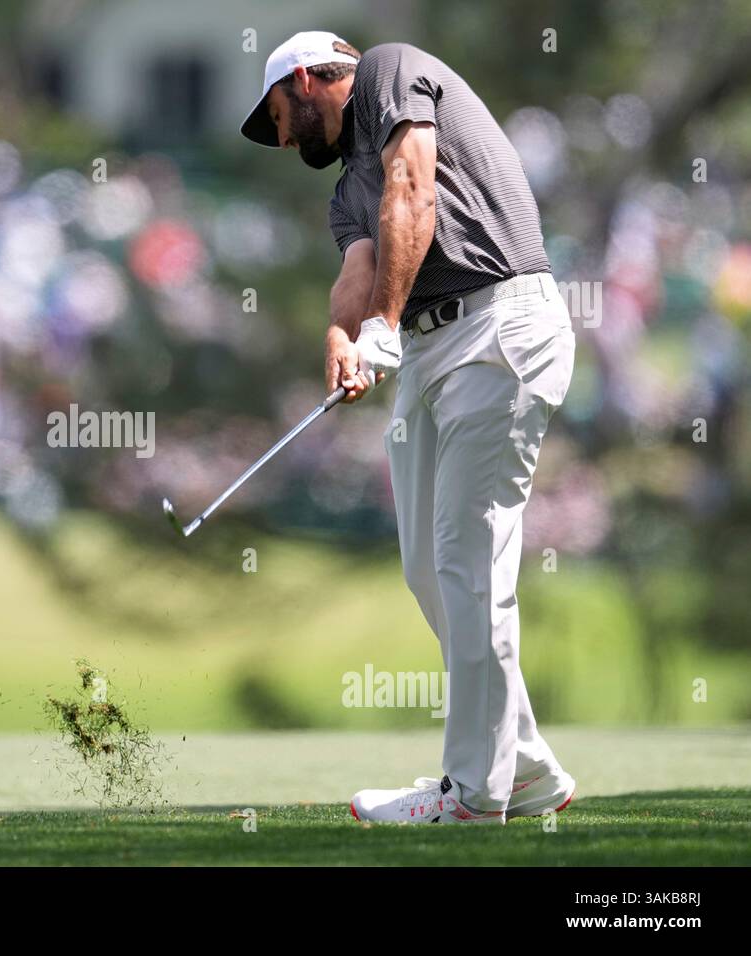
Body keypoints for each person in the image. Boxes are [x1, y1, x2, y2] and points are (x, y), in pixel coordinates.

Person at [241, 32, 578, 823]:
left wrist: (383, 324)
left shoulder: (390, 70)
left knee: (469, 565)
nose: (282, 139)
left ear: (307, 79)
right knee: (431, 568)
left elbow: (413, 185)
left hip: (498, 328)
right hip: (431, 350)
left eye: (279, 117)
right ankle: (524, 767)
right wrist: (342, 335)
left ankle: (475, 792)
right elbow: (357, 270)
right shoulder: (342, 192)